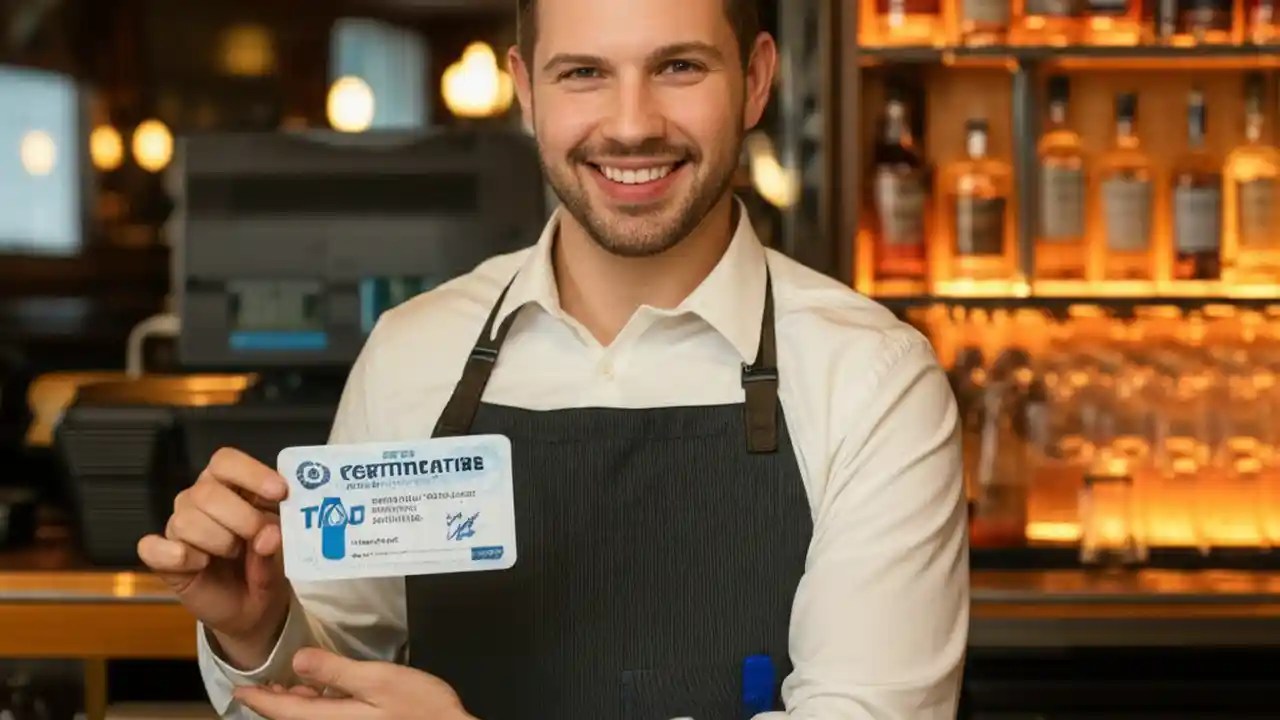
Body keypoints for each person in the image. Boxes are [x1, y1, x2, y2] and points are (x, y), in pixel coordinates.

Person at [137, 0, 969, 717]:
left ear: (754, 81)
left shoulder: (873, 380)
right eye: (583, 74)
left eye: (678, 67)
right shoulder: (414, 353)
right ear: (525, 88)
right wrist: (256, 630)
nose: (633, 122)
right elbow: (326, 689)